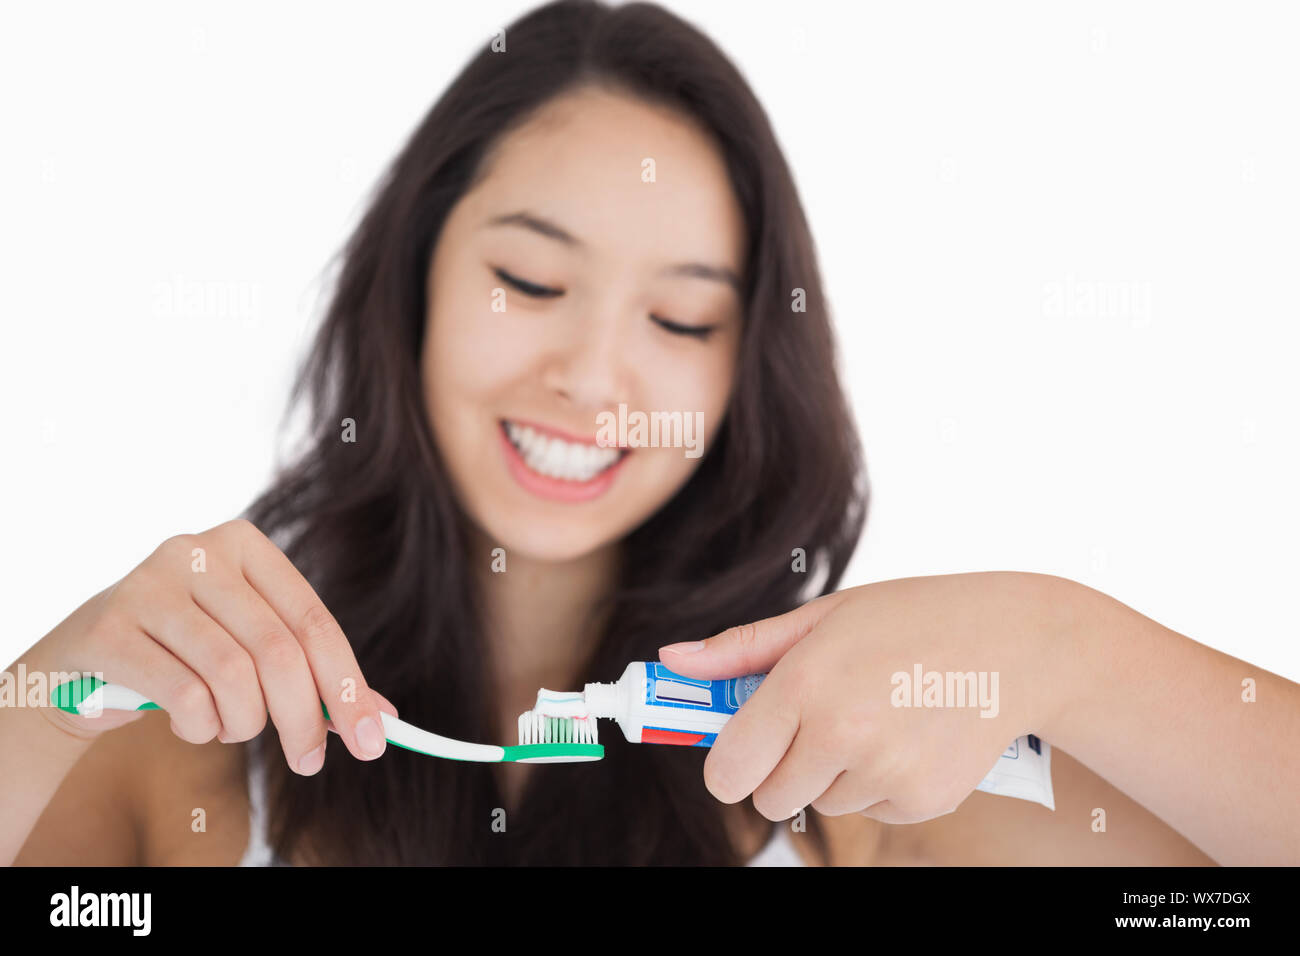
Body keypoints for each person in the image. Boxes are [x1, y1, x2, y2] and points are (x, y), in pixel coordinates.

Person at [5, 0, 1294, 867]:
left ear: (750, 363)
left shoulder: (863, 788)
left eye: (681, 319)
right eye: (532, 282)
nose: (591, 378)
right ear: (413, 283)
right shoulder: (180, 757)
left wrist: (1066, 643)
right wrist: (33, 699)